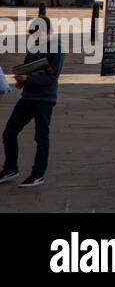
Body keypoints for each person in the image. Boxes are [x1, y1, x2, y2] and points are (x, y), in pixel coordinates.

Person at [1, 18, 65, 188]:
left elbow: (52, 76)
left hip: (45, 99)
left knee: (41, 137)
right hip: (28, 96)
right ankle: (10, 168)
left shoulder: (56, 48)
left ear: (48, 31)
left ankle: (38, 174)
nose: (35, 37)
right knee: (9, 132)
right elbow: (28, 67)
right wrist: (21, 80)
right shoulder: (34, 46)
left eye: (38, 33)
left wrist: (28, 78)